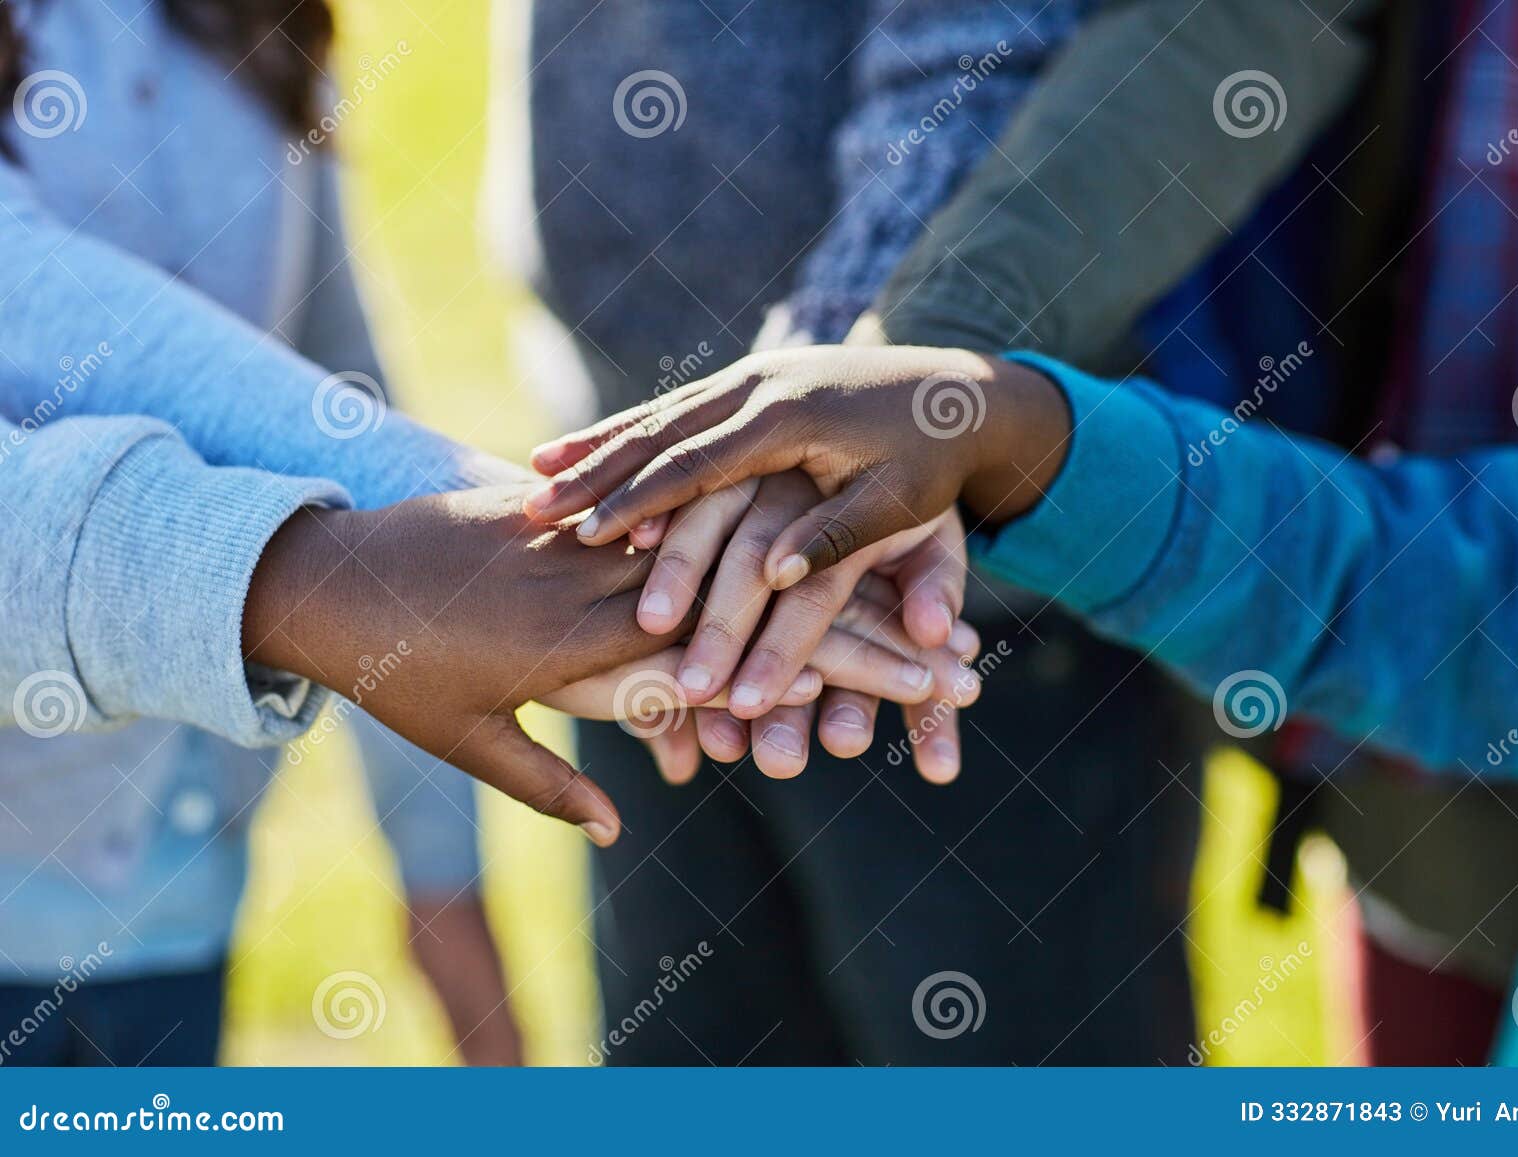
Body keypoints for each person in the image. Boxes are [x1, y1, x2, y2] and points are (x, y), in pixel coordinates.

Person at [531, 0, 1518, 1067]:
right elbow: (1251, 27)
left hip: (1039, 595)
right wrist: (922, 397)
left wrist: (968, 423)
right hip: (1391, 724)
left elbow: (1517, 603)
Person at [0, 0, 966, 1065]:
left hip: (177, 908)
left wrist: (443, 893)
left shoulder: (237, 22)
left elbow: (333, 400)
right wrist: (496, 540)